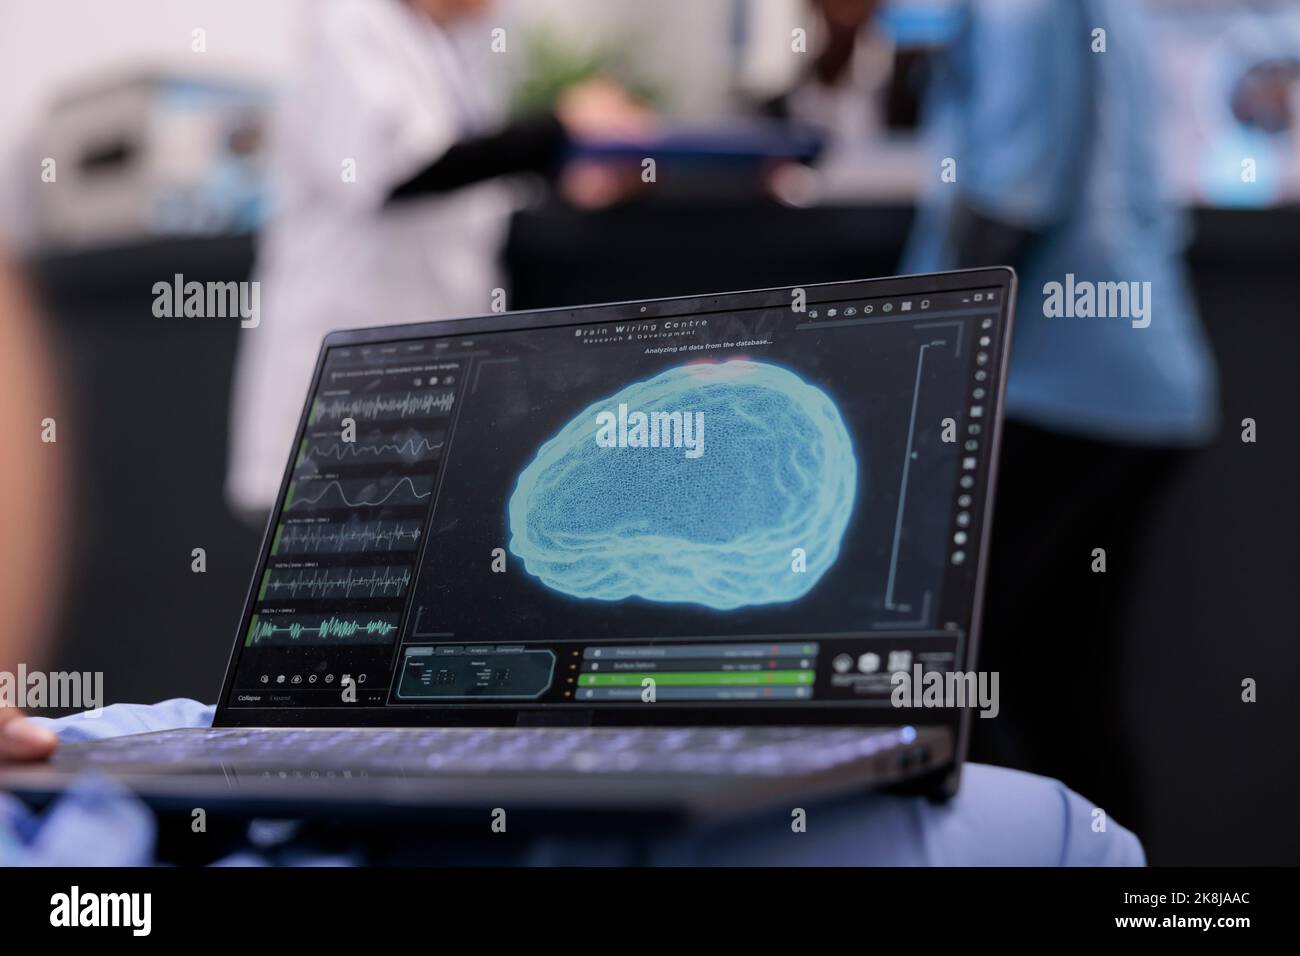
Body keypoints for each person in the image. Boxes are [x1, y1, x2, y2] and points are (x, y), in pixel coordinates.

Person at [902, 0, 1220, 831]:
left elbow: (1020, 185)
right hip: (1133, 382)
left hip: (1049, 385)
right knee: (1061, 691)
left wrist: (918, 350)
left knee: (947, 677)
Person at [226, 0, 652, 520]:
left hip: (414, 383)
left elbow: (468, 186)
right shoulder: (352, 20)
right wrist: (559, 129)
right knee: (331, 576)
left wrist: (576, 178)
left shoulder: (440, 48)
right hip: (348, 374)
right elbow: (398, 170)